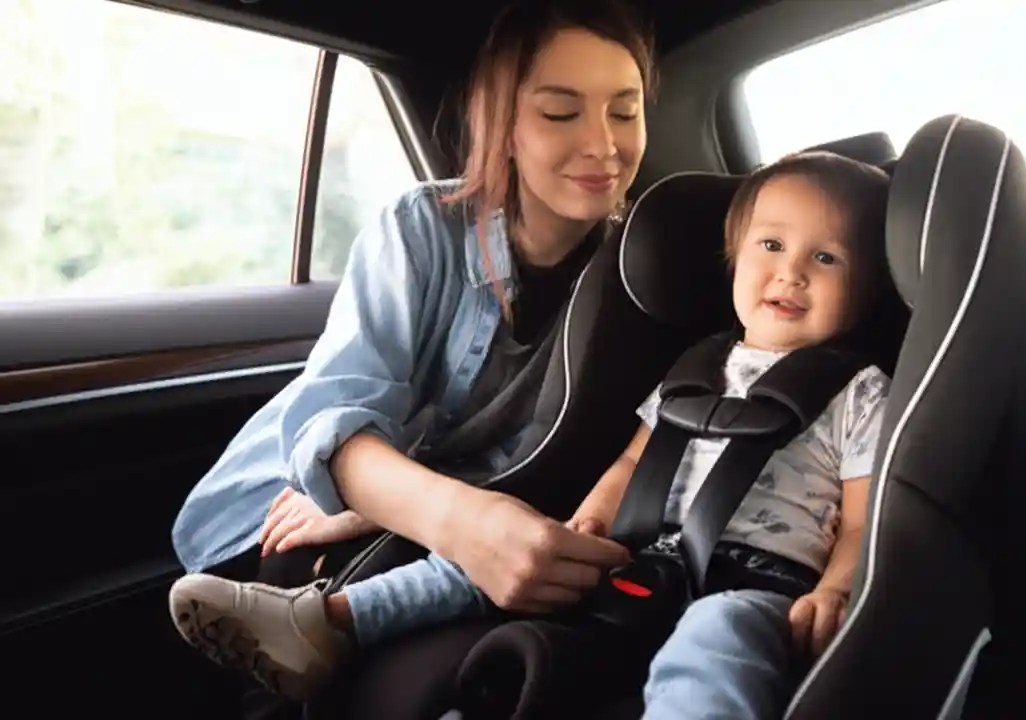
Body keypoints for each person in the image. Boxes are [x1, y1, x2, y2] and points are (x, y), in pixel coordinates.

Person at [171, 150, 894, 719]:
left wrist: (836, 589)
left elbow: (863, 521)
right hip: (645, 553)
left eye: (825, 259)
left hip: (756, 582)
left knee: (717, 642)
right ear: (734, 260)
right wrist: (593, 520)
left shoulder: (859, 390)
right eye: (771, 245)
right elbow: (635, 461)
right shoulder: (697, 367)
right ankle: (325, 622)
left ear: (866, 288)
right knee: (492, 559)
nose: (791, 273)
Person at [166, 0, 655, 716]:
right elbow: (332, 428)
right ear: (504, 126)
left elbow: (557, 464)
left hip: (434, 524)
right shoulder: (421, 230)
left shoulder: (637, 280)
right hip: (281, 509)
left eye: (624, 111)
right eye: (561, 112)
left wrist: (389, 507)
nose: (603, 144)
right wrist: (424, 510)